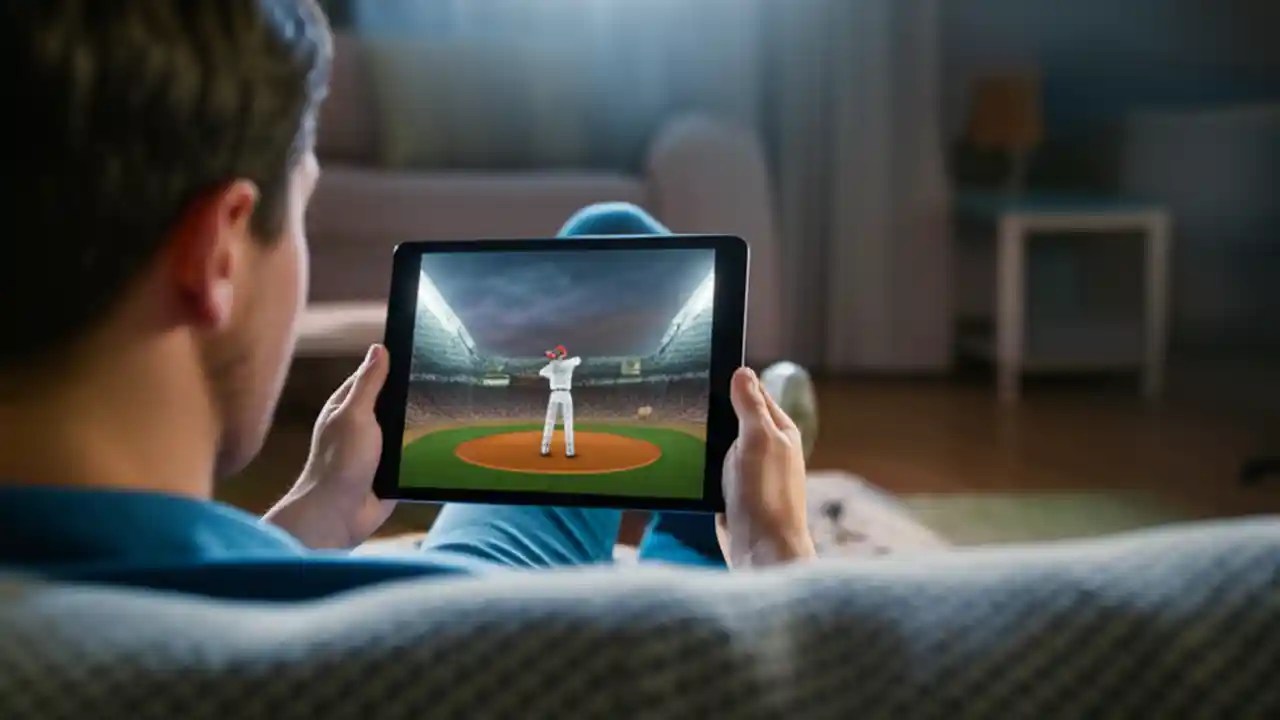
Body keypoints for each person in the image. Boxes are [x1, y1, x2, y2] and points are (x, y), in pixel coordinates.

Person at [0, 0, 814, 601]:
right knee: (620, 238)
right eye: (303, 212)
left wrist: (310, 517)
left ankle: (718, 492)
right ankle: (736, 504)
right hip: (457, 604)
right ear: (217, 254)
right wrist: (779, 562)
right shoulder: (433, 653)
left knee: (612, 232)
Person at [538, 345, 580, 458]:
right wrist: (557, 360)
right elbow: (578, 360)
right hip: (566, 394)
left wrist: (552, 371)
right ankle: (570, 451)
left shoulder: (552, 366)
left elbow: (541, 372)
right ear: (564, 354)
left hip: (554, 394)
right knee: (568, 423)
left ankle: (544, 449)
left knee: (549, 422)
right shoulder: (569, 363)